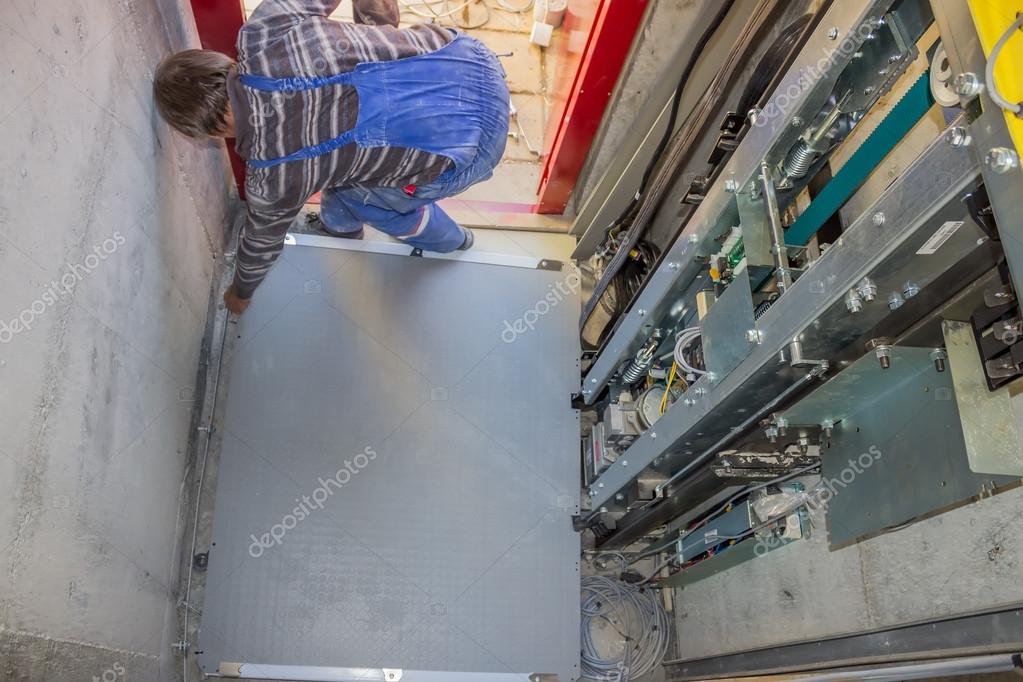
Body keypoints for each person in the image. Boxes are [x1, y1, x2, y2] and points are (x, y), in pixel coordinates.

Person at [153, 0, 510, 314]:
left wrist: (240, 294)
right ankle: (341, 229)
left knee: (362, 197)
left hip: (475, 147)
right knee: (343, 173)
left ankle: (451, 241)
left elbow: (261, 242)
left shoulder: (272, 177)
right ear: (220, 60)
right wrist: (379, 31)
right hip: (469, 59)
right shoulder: (263, 31)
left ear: (210, 133)